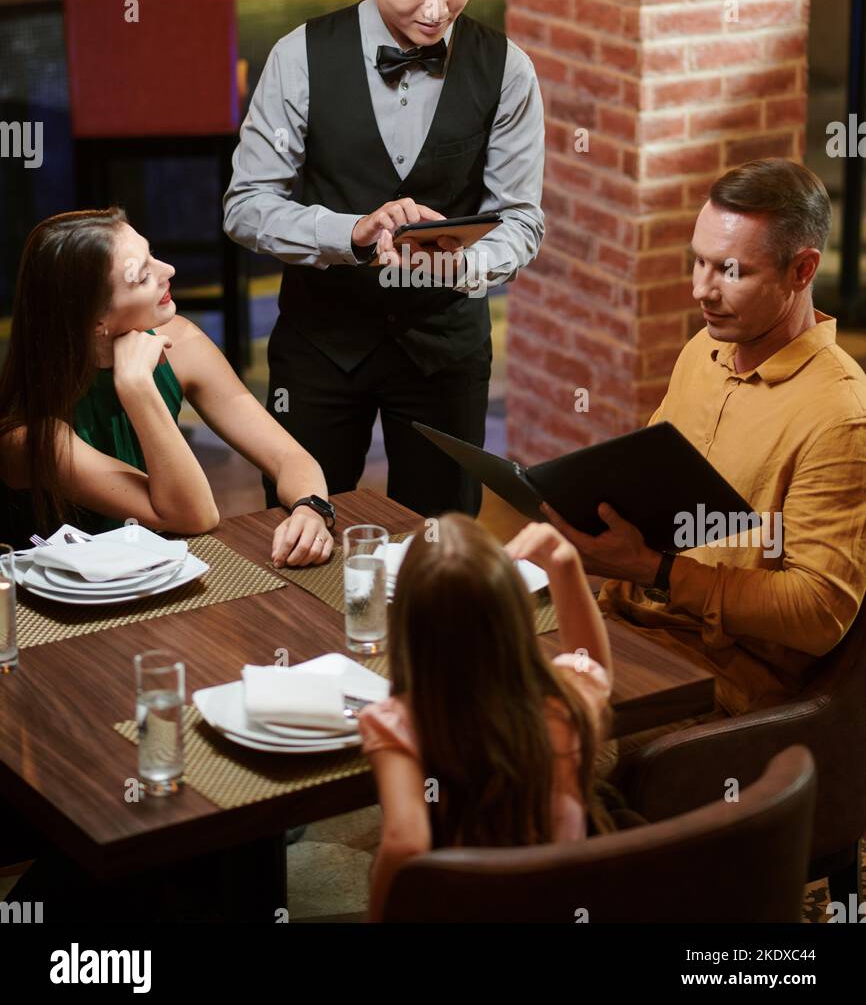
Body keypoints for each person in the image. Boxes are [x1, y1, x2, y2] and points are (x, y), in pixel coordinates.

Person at [223, 0, 544, 519]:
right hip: (321, 345)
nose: (435, 9)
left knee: (442, 544)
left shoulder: (506, 69)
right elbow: (247, 204)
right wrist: (349, 234)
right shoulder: (299, 58)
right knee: (300, 529)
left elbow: (520, 218)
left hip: (444, 349)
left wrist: (465, 264)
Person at [544, 158, 866, 760]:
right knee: (471, 675)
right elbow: (649, 483)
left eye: (730, 270)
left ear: (803, 270)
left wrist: (656, 571)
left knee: (539, 742)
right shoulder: (706, 349)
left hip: (717, 681)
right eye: (698, 260)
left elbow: (821, 612)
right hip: (628, 620)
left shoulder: (841, 417)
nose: (700, 289)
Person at [0, 207, 336, 567]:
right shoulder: (34, 436)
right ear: (96, 320)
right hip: (69, 608)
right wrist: (136, 386)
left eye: (152, 256)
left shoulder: (179, 342)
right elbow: (194, 515)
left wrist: (310, 509)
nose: (168, 271)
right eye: (142, 276)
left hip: (158, 578)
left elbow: (290, 457)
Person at [357, 513, 614, 922]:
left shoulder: (396, 723)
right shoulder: (563, 703)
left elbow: (406, 842)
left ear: (408, 626)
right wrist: (564, 565)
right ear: (516, 615)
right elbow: (595, 664)